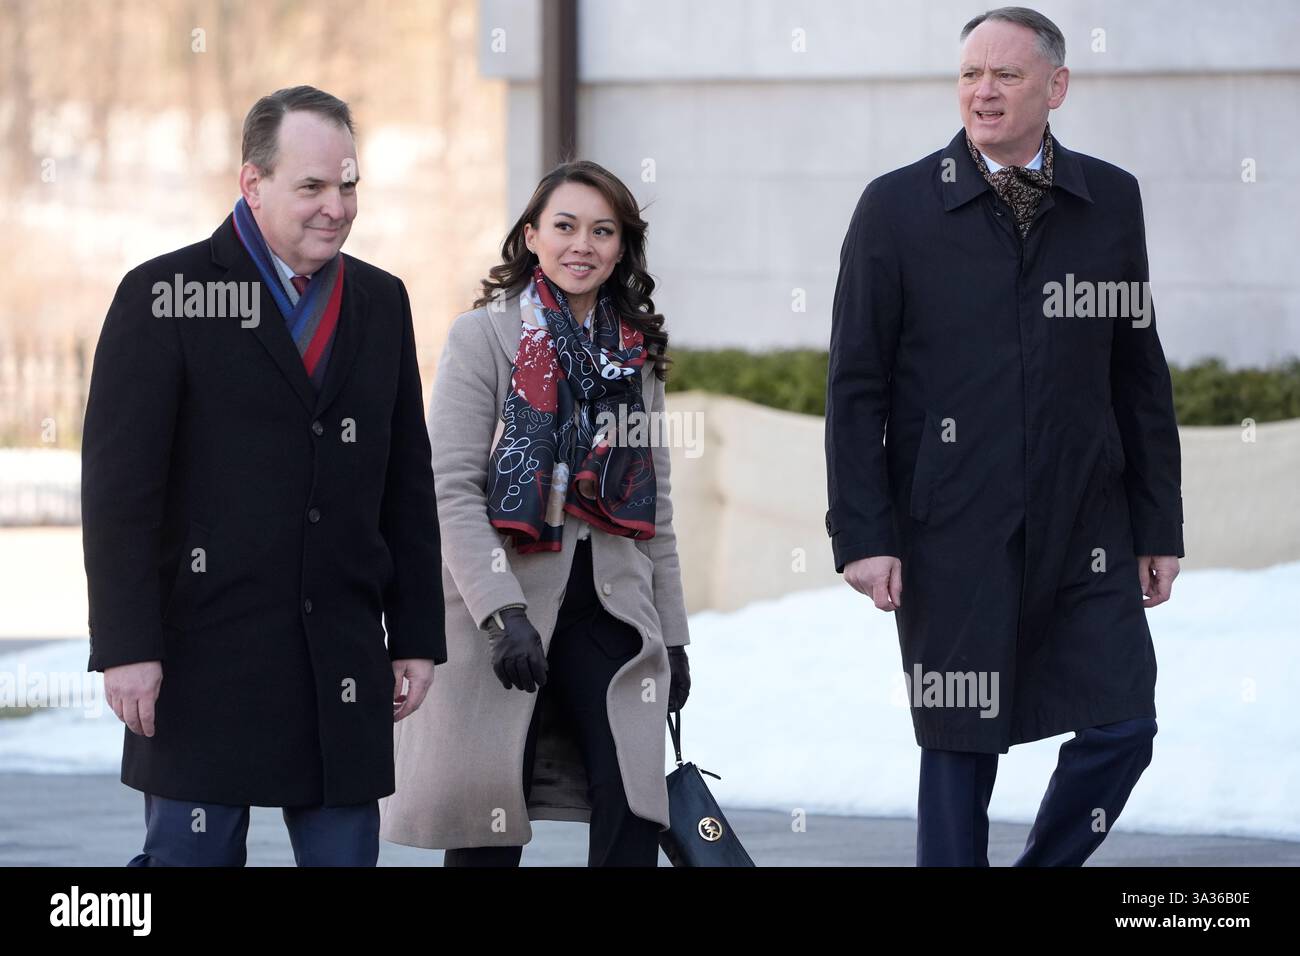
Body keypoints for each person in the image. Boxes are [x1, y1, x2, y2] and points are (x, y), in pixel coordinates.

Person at [825, 7, 1184, 866]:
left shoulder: (1110, 200)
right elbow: (856, 384)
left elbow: (1138, 370)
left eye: (1006, 75)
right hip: (952, 525)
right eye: (969, 74)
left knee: (1124, 723)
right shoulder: (898, 208)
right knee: (960, 740)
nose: (982, 91)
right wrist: (863, 534)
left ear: (1056, 87)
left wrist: (1156, 525)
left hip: (1086, 522)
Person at [82, 85, 444, 866]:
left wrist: (415, 632)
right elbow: (120, 495)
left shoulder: (381, 302)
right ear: (253, 183)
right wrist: (125, 646)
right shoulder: (163, 296)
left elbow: (406, 483)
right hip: (202, 660)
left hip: (339, 659)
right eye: (311, 186)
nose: (337, 206)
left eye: (348, 184)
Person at [379, 160, 691, 867]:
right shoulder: (482, 337)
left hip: (610, 610)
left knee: (634, 806)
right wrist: (501, 612)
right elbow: (451, 488)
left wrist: (672, 636)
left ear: (621, 249)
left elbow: (657, 509)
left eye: (603, 231)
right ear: (532, 237)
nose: (583, 244)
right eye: (566, 226)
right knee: (489, 820)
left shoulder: (634, 356)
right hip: (503, 607)